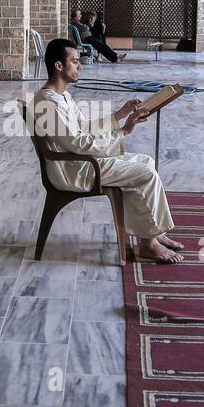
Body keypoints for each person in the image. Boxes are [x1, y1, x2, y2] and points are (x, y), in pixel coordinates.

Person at [31, 38, 186, 263]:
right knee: (146, 174)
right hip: (77, 168)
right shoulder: (47, 103)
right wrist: (122, 132)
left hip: (81, 160)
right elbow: (77, 143)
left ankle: (151, 232)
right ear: (58, 66)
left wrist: (120, 115)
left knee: (146, 161)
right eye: (74, 62)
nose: (80, 65)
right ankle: (148, 244)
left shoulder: (61, 96)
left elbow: (84, 127)